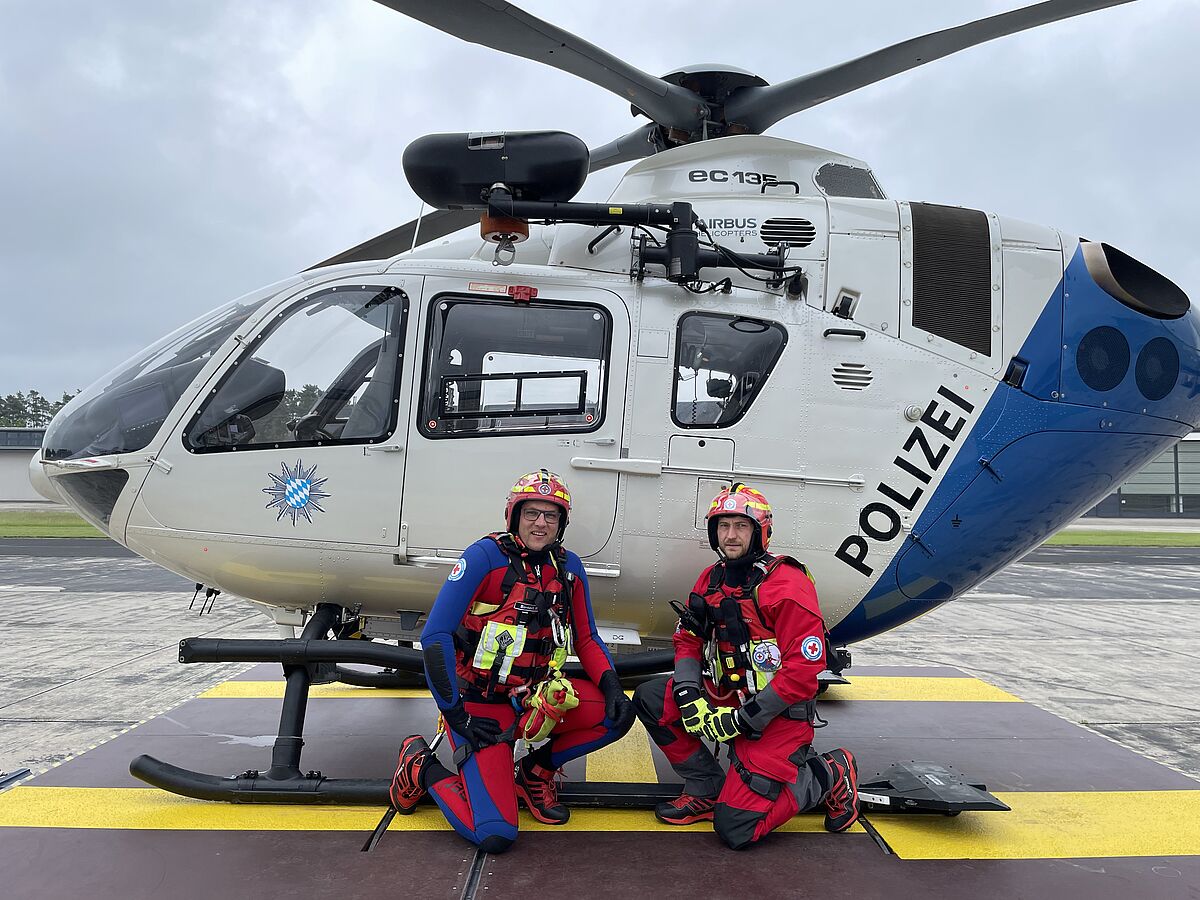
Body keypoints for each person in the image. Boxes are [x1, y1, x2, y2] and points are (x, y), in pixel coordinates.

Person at [389, 469, 635, 853]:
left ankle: (534, 774)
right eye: (531, 513)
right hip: (479, 708)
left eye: (551, 515)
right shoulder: (483, 557)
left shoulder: (569, 568)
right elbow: (435, 637)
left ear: (562, 523)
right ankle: (422, 768)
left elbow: (586, 639)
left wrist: (613, 687)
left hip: (534, 698)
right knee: (495, 835)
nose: (541, 523)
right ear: (514, 515)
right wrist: (457, 715)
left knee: (615, 715)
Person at [631, 483, 860, 850]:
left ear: (760, 531)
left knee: (737, 829)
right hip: (726, 698)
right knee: (652, 698)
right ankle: (705, 786)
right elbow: (688, 640)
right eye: (723, 526)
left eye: (741, 525)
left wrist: (743, 719)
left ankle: (829, 773)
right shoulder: (711, 580)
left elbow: (802, 674)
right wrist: (689, 697)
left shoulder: (787, 583)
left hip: (776, 715)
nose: (731, 535)